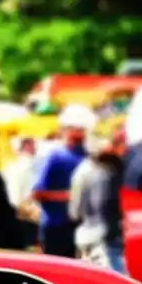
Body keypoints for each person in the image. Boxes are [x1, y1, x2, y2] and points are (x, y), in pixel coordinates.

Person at [32, 105, 94, 257]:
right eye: (74, 129)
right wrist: (70, 196)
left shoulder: (87, 157)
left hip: (78, 226)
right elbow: (37, 193)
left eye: (82, 129)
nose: (78, 133)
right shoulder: (54, 156)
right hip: (55, 226)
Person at [70, 144, 126, 273]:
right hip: (104, 238)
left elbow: (75, 212)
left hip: (86, 233)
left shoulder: (82, 171)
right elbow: (104, 206)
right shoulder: (108, 174)